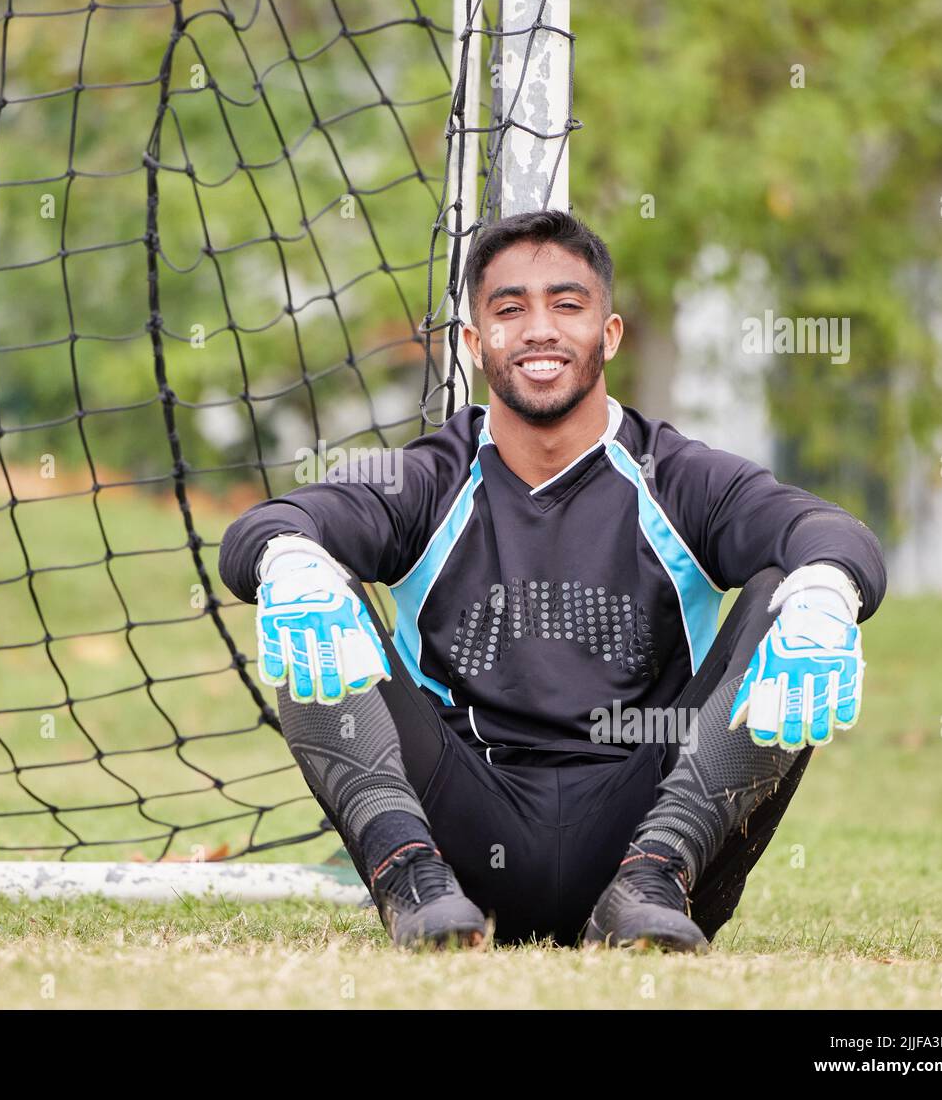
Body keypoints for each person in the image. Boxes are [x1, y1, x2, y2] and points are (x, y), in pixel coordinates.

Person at [219, 210, 885, 950]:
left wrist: (827, 590)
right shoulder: (429, 477)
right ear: (475, 345)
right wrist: (292, 563)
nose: (540, 329)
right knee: (308, 586)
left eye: (567, 305)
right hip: (462, 832)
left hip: (651, 828)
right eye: (510, 309)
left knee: (790, 590)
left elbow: (828, 530)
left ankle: (654, 878)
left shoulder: (676, 474)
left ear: (609, 334)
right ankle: (407, 878)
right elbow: (267, 525)